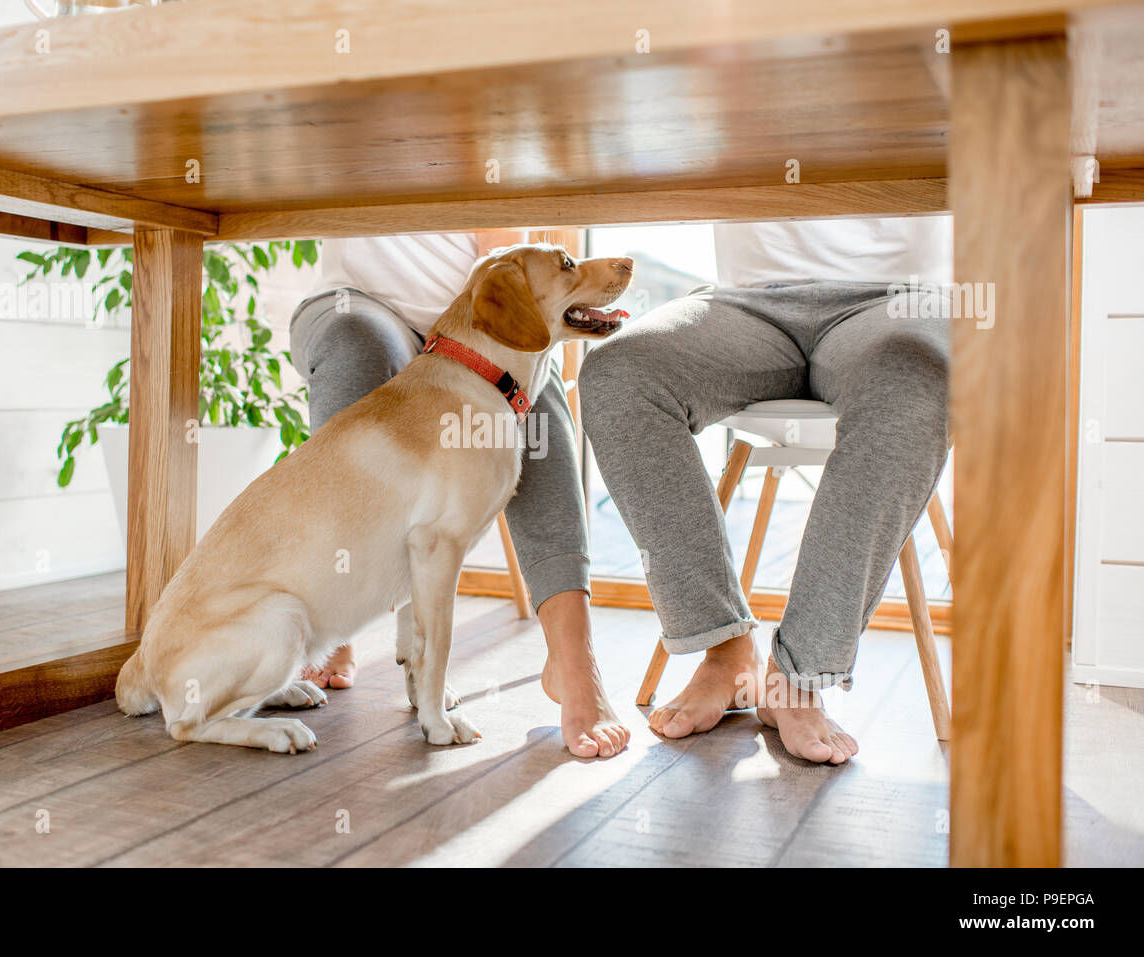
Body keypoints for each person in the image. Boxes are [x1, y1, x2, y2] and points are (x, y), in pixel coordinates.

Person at [579, 217, 952, 764]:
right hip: (745, 306)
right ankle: (726, 651)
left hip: (897, 303)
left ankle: (798, 677)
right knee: (618, 374)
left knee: (917, 380)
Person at [288, 231, 630, 758]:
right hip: (353, 300)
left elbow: (504, 250)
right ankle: (333, 615)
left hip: (477, 310)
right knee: (359, 340)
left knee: (532, 401)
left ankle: (572, 661)